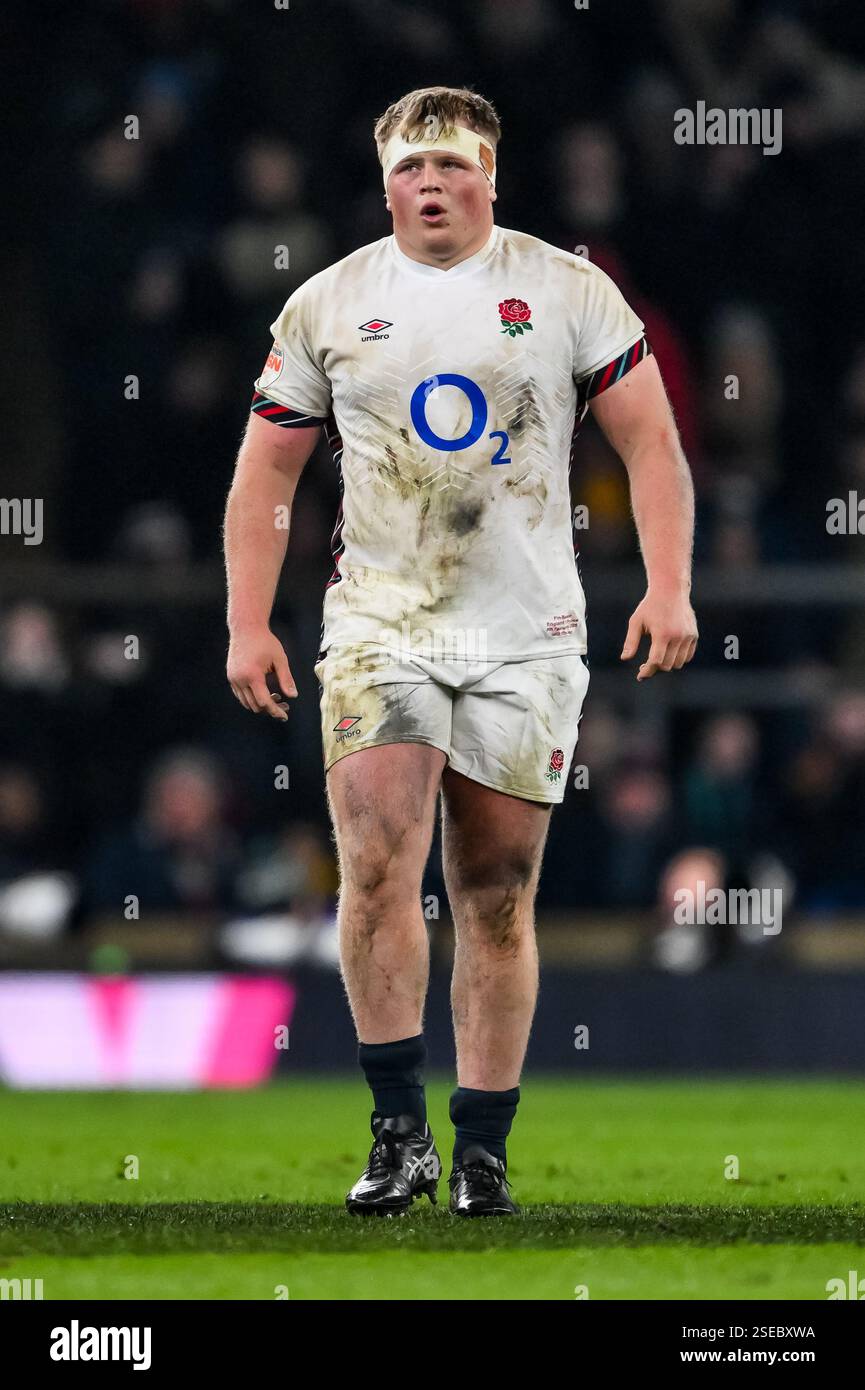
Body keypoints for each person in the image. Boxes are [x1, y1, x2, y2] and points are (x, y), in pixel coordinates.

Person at [223, 85, 698, 1217]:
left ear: (493, 175)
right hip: (381, 621)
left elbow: (654, 444)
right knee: (378, 859)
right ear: (384, 182)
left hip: (525, 635)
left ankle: (480, 1148)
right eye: (408, 168)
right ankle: (398, 1135)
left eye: (450, 163)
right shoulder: (329, 304)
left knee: (492, 890)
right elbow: (266, 472)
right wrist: (247, 619)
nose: (428, 184)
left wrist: (671, 587)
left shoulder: (569, 290)